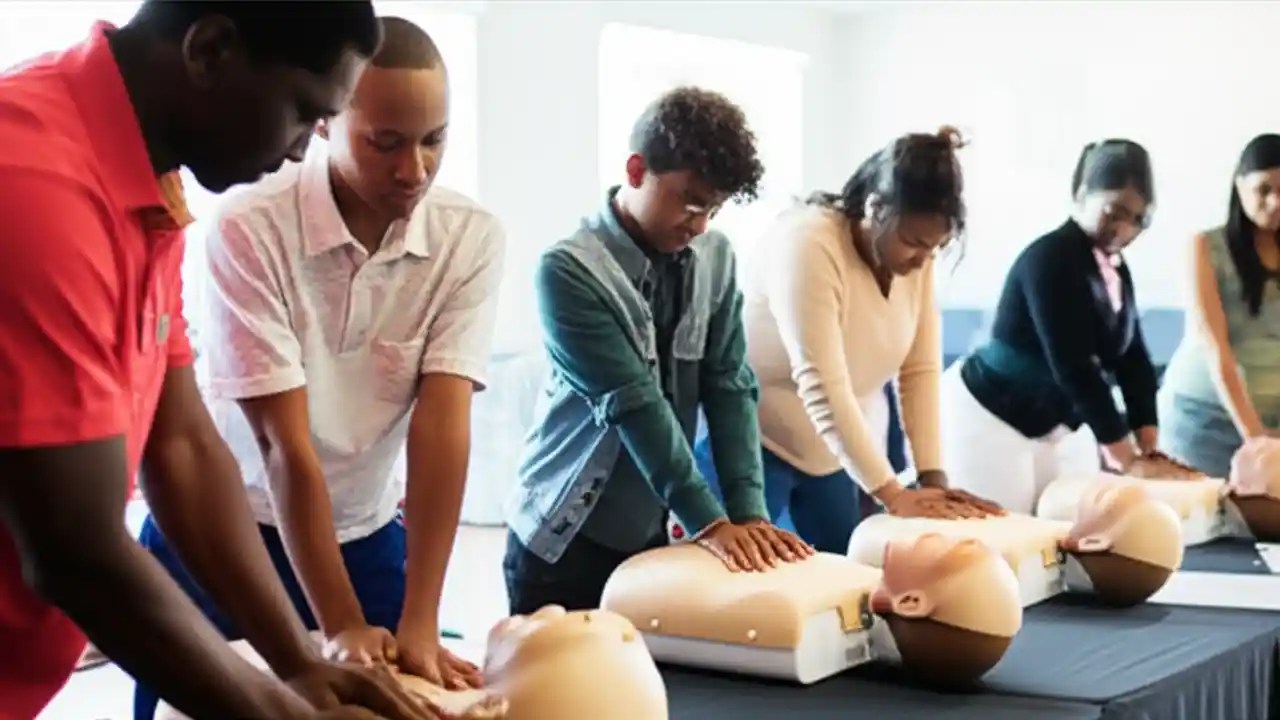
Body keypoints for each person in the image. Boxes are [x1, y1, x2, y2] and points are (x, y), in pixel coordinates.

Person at [0, 3, 438, 719]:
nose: (303, 151)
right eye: (302, 112)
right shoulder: (34, 187)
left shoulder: (144, 181)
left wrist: (298, 663)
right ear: (210, 51)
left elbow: (181, 447)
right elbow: (75, 553)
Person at [131, 16, 500, 720]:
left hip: (364, 533)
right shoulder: (251, 224)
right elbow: (282, 445)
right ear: (328, 123)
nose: (412, 170)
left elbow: (443, 427)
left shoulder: (470, 237)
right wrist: (336, 627)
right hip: (224, 533)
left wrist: (421, 615)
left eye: (434, 141)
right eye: (384, 143)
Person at [503, 86, 812, 616]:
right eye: (691, 203)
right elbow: (634, 402)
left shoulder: (715, 256)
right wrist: (711, 523)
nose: (700, 225)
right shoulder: (568, 270)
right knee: (557, 690)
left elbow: (729, 384)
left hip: (648, 536)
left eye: (713, 208)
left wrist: (750, 513)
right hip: (563, 539)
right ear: (636, 168)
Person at [693, 127, 999, 555]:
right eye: (913, 243)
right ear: (875, 208)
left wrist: (932, 479)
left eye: (935, 248)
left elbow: (920, 370)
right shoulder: (808, 243)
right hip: (753, 441)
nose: (922, 259)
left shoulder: (917, 256)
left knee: (847, 579)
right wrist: (893, 494)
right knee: (751, 577)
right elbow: (820, 383)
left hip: (832, 452)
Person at [941, 139, 1189, 515]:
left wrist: (1148, 443)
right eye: (1114, 211)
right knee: (1008, 534)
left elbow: (1132, 358)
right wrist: (1126, 458)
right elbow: (1073, 363)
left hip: (1059, 424)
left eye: (1139, 219)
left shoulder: (1117, 269)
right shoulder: (1050, 257)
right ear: (1081, 194)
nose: (1123, 229)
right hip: (993, 414)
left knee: (1072, 530)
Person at [1158, 134, 1280, 477]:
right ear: (1240, 188)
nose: (1275, 202)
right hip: (1204, 421)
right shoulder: (1205, 247)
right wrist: (1256, 440)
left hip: (1274, 425)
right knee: (1210, 523)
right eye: (1264, 190)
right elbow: (1215, 348)